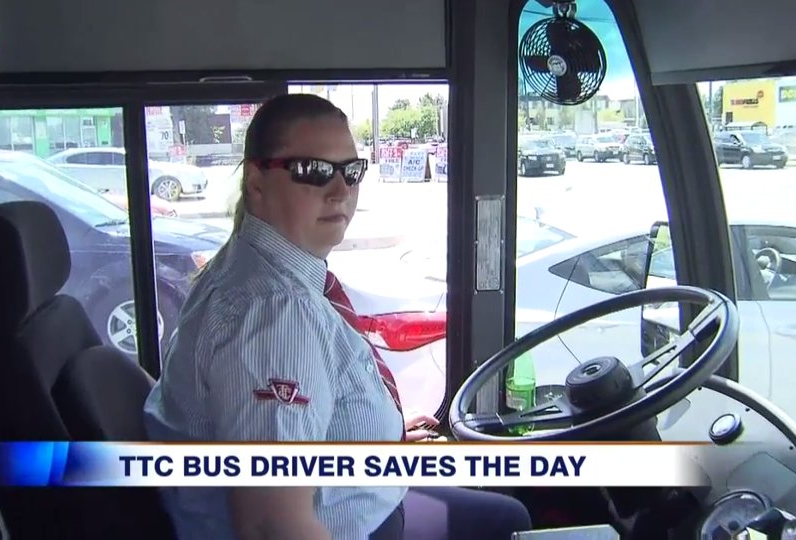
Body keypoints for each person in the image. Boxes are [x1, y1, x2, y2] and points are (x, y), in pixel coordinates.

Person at [143, 93, 532, 540]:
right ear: (256, 183)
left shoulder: (252, 264)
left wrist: (369, 426)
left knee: (506, 518)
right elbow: (274, 526)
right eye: (314, 171)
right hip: (351, 526)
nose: (341, 191)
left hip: (362, 494)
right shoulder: (274, 311)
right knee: (508, 522)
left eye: (352, 172)